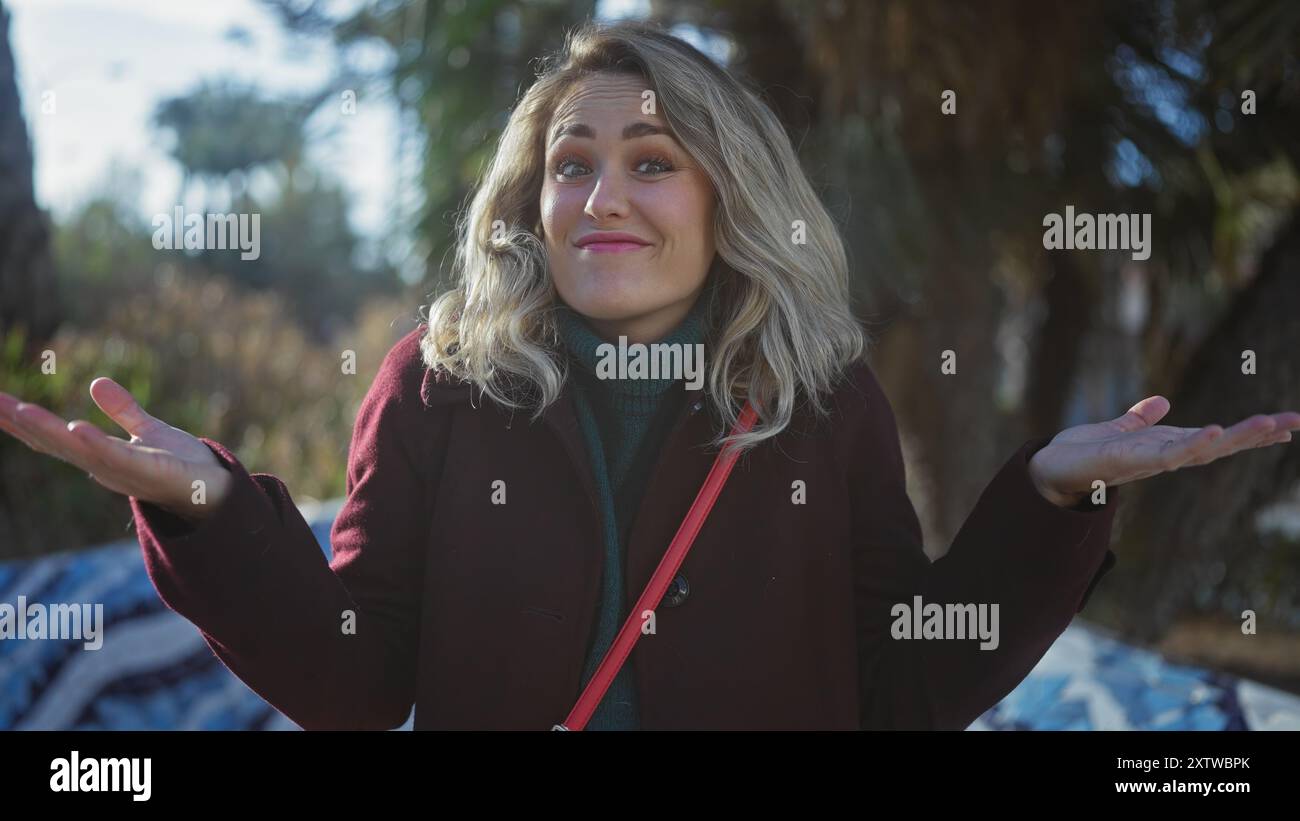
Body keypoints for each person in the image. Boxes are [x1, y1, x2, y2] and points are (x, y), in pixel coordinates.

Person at [1, 20, 1295, 731]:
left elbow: (902, 684)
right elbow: (356, 677)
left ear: (727, 194)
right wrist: (210, 509)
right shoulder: (437, 384)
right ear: (531, 194)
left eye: (654, 160)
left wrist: (1046, 502)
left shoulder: (818, 395)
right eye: (573, 161)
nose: (602, 195)